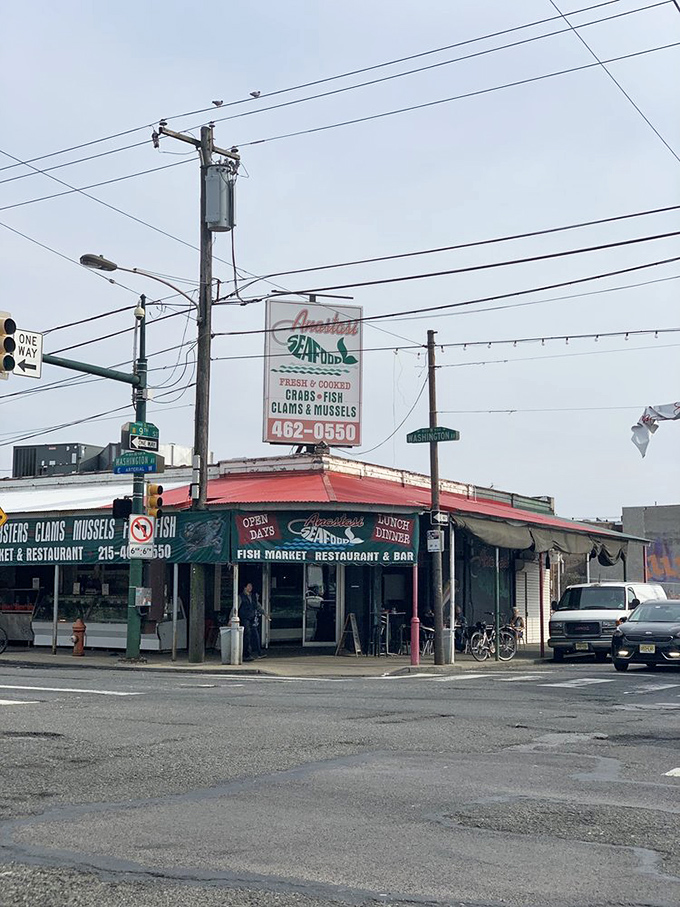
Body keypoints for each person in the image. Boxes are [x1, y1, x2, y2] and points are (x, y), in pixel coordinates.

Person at [238, 582, 263, 661]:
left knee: (253, 634)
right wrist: (231, 618)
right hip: (244, 618)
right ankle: (246, 654)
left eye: (251, 586)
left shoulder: (253, 596)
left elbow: (258, 606)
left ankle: (255, 652)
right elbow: (236, 607)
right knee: (247, 634)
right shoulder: (241, 597)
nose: (250, 587)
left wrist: (265, 614)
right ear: (245, 587)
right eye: (249, 586)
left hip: (251, 618)